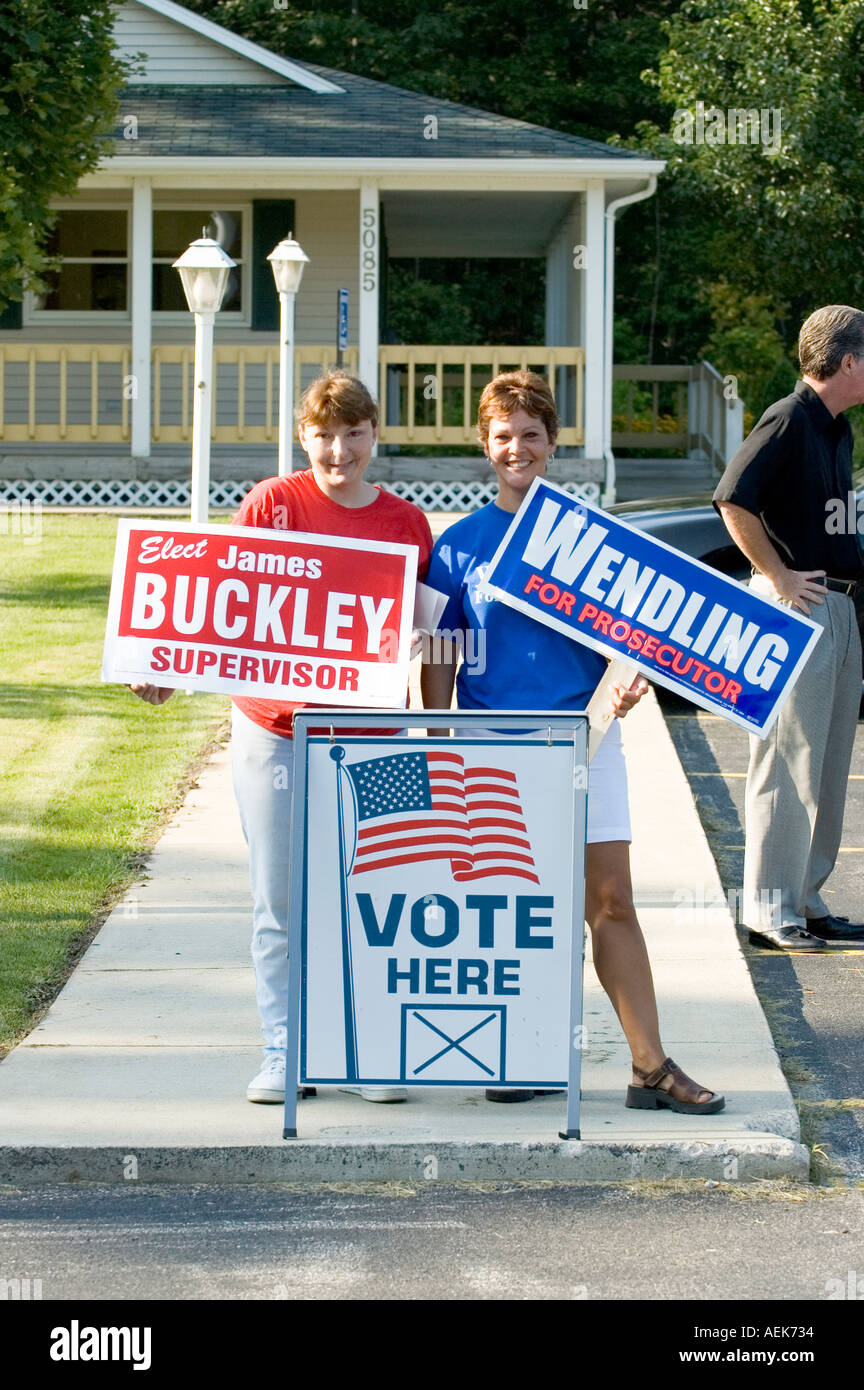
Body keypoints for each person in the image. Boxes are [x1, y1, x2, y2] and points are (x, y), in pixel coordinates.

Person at [420, 370, 724, 1113]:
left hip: (586, 741)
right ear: (484, 447)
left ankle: (649, 1068)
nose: (516, 448)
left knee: (610, 902)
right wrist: (438, 742)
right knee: (513, 910)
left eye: (531, 435)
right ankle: (520, 1055)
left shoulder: (593, 545)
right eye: (503, 437)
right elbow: (436, 654)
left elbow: (643, 637)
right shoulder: (456, 547)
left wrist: (630, 679)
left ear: (553, 444)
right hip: (494, 754)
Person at [131, 370, 432, 1102]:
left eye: (353, 435)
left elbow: (427, 630)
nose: (339, 451)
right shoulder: (274, 503)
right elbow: (226, 604)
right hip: (276, 730)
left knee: (374, 895)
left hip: (375, 736)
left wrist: (436, 713)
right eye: (324, 436)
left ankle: (365, 1053)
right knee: (281, 900)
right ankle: (284, 1051)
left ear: (374, 436)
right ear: (304, 437)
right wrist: (169, 664)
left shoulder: (406, 522)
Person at [714, 305, 864, 952]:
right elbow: (732, 497)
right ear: (849, 361)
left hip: (841, 607)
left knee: (827, 761)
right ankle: (769, 911)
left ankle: (805, 896)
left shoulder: (838, 427)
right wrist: (776, 577)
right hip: (798, 608)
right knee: (784, 759)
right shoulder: (790, 416)